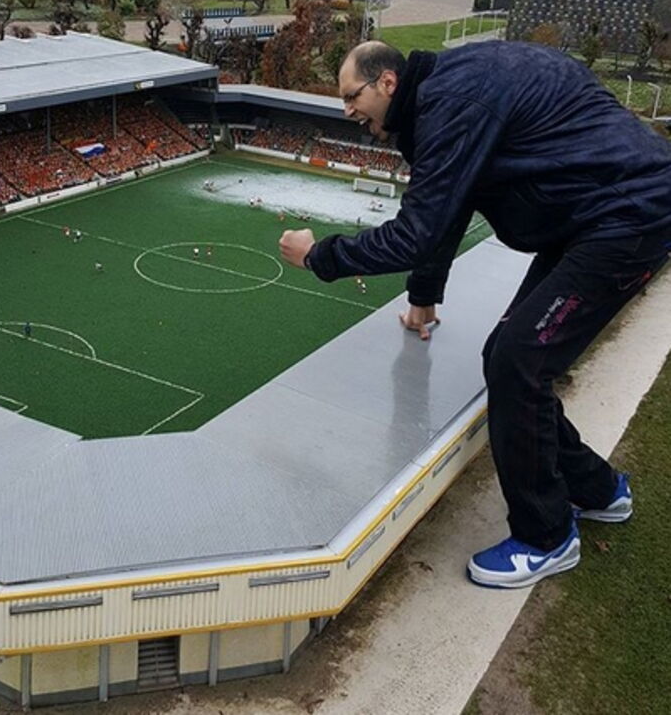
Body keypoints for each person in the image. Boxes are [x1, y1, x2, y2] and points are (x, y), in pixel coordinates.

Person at [279, 39, 671, 590]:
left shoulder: (451, 104)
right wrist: (424, 293)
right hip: (590, 216)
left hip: (627, 216)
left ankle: (547, 537)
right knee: (508, 358)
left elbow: (416, 233)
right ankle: (600, 490)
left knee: (518, 361)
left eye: (351, 96)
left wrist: (319, 256)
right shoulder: (442, 98)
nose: (346, 110)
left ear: (387, 82)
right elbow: (450, 205)